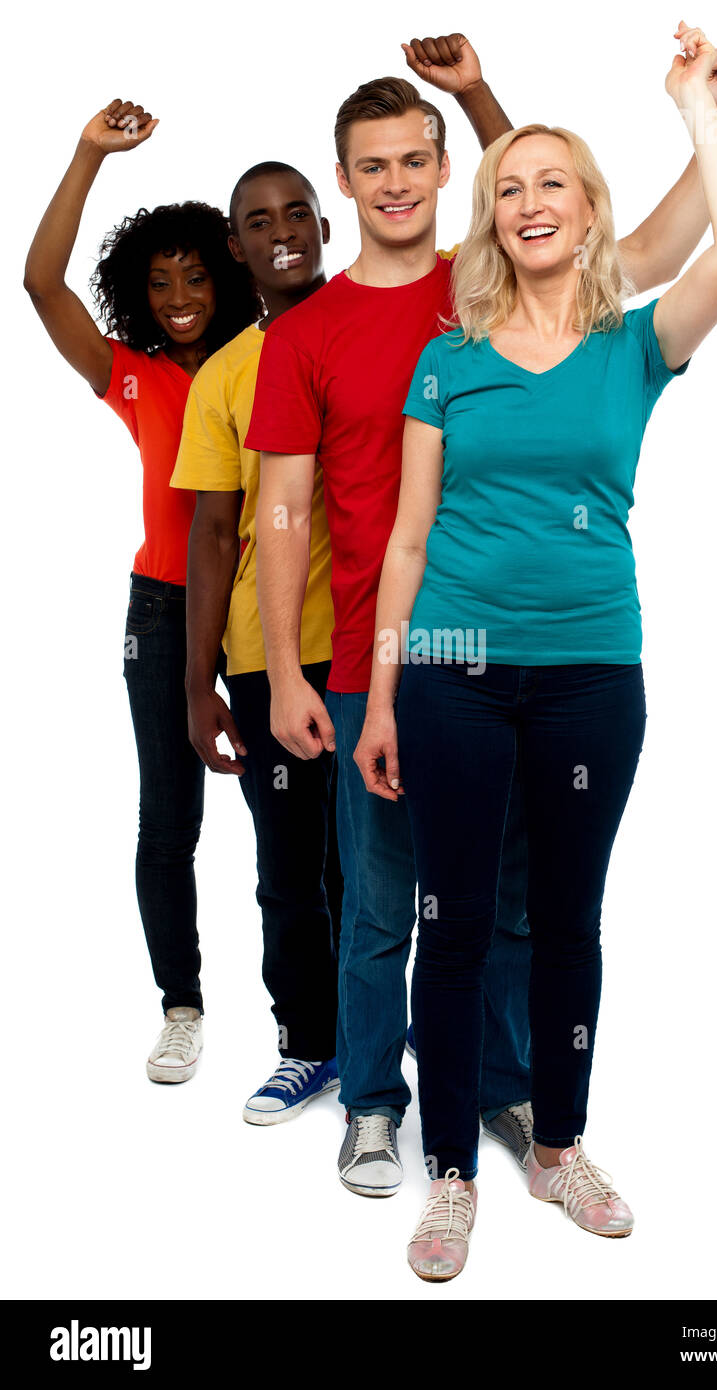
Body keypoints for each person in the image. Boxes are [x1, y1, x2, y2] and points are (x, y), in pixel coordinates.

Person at [248, 30, 717, 1198]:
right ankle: (385, 1113)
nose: (394, 183)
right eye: (368, 165)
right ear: (346, 183)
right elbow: (309, 518)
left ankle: (517, 1103)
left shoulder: (553, 316)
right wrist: (308, 673)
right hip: (411, 648)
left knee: (533, 910)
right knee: (395, 906)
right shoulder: (371, 338)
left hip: (565, 664)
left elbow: (652, 235)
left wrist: (709, 120)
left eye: (413, 160)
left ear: (439, 174)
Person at [24, 100, 261, 1085]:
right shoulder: (131, 376)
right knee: (169, 821)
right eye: (158, 281)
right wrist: (88, 155)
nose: (176, 296)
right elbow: (40, 284)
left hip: (270, 613)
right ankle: (181, 1005)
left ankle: (332, 1012)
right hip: (163, 614)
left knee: (310, 820)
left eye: (194, 276)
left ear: (225, 278)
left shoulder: (269, 364)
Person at [171, 162, 344, 1124]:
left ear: (325, 224)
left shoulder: (377, 326)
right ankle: (305, 1045)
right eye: (255, 221)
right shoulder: (228, 373)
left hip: (376, 647)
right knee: (287, 866)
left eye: (295, 213)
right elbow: (208, 533)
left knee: (370, 866)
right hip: (263, 654)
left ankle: (377, 1048)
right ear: (233, 247)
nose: (280, 231)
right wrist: (198, 687)